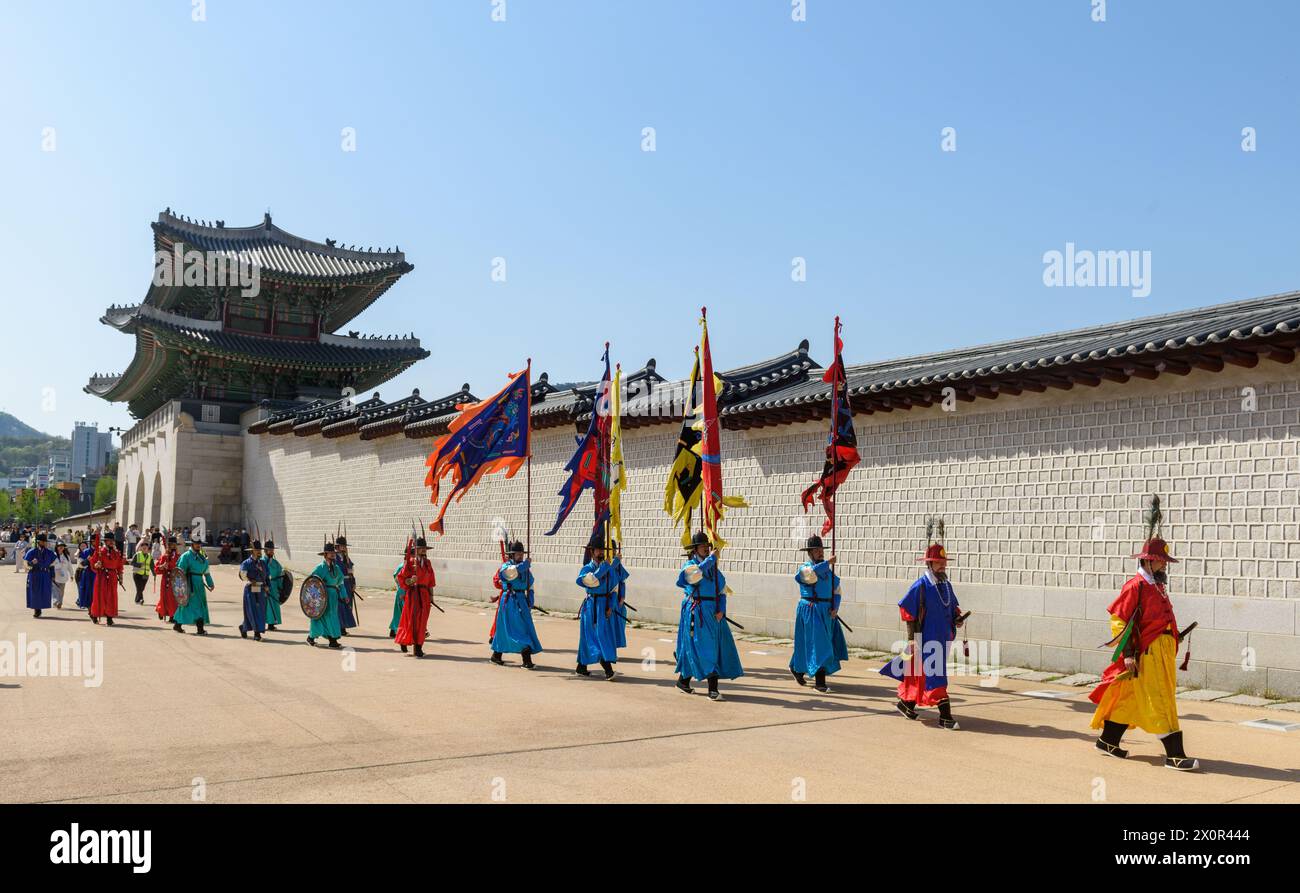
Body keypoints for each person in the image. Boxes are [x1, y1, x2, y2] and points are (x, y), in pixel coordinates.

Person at [1089, 498, 1199, 771]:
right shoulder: (1135, 586)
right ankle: (1174, 755)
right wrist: (1127, 654)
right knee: (1160, 699)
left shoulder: (1157, 585)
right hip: (1144, 653)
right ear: (1149, 562)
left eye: (1165, 562)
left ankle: (1107, 740)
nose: (1165, 566)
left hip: (1160, 650)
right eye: (1161, 562)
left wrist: (1172, 635)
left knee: (1131, 698)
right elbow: (1119, 621)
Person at [879, 523, 965, 729]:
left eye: (944, 562)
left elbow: (953, 608)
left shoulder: (945, 584)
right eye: (938, 562)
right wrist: (912, 639)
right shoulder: (921, 586)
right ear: (929, 564)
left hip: (942, 638)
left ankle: (906, 704)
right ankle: (945, 717)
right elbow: (907, 611)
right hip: (925, 639)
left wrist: (958, 619)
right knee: (935, 677)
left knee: (921, 674)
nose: (942, 566)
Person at [674, 532, 744, 701]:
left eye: (708, 545)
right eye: (703, 546)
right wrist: (711, 560)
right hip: (696, 611)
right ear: (695, 549)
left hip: (713, 613)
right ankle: (712, 689)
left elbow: (722, 591)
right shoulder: (690, 565)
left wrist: (721, 609)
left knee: (715, 647)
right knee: (702, 646)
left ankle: (683, 681)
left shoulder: (713, 569)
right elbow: (694, 576)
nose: (706, 548)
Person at [790, 535, 848, 693]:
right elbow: (811, 575)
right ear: (810, 553)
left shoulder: (829, 573)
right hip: (810, 609)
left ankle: (797, 668)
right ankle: (820, 682)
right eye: (816, 550)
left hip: (826, 611)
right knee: (819, 644)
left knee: (813, 643)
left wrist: (835, 607)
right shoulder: (805, 569)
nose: (820, 552)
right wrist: (828, 563)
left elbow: (837, 591)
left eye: (821, 550)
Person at [574, 535, 626, 680]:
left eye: (602, 550)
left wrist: (611, 606)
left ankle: (581, 666)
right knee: (595, 636)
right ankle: (608, 669)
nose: (601, 552)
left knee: (599, 635)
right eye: (598, 550)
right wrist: (607, 567)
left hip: (604, 605)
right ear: (592, 552)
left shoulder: (607, 568)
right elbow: (591, 581)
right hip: (591, 606)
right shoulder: (587, 568)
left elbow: (614, 588)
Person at [490, 540, 542, 668]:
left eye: (521, 554)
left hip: (521, 600)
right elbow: (509, 574)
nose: (520, 556)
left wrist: (530, 598)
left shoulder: (525, 568)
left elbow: (530, 585)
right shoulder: (506, 566)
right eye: (518, 554)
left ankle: (497, 655)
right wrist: (525, 565)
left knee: (525, 627)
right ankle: (525, 658)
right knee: (514, 628)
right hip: (509, 601)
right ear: (512, 555)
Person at [394, 536, 437, 657]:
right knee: (412, 620)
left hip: (424, 595)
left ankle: (419, 646)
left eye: (424, 548)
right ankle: (407, 642)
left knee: (423, 621)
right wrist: (410, 581)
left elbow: (431, 581)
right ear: (416, 549)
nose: (423, 550)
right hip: (413, 594)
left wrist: (431, 596)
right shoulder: (411, 562)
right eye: (421, 548)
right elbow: (401, 578)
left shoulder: (428, 563)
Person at [174, 535, 215, 635]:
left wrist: (210, 583)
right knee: (188, 605)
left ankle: (177, 625)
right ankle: (199, 629)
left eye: (199, 544)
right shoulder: (186, 556)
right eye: (196, 544)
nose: (198, 546)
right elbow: (179, 572)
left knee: (199, 605)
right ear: (192, 544)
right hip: (188, 584)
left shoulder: (202, 558)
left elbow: (206, 572)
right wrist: (181, 587)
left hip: (199, 585)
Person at [307, 541, 345, 648]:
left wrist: (344, 595)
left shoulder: (336, 568)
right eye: (330, 553)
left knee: (332, 616)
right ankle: (314, 637)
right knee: (321, 617)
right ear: (325, 554)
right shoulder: (320, 567)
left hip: (333, 596)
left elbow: (341, 582)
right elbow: (312, 581)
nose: (333, 555)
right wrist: (316, 596)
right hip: (323, 596)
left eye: (334, 553)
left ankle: (332, 639)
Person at [90, 531, 125, 626]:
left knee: (111, 597)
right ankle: (95, 614)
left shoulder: (117, 553)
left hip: (113, 576)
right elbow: (93, 563)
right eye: (109, 541)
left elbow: (119, 566)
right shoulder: (100, 552)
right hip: (102, 576)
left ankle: (109, 617)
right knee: (100, 596)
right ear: (105, 541)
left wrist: (121, 577)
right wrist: (96, 565)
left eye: (112, 541)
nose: (111, 542)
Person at [237, 540, 268, 641]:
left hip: (261, 589)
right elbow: (242, 575)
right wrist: (250, 580)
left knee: (261, 611)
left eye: (260, 550)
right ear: (252, 551)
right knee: (253, 611)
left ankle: (243, 627)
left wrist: (268, 586)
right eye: (257, 550)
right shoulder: (246, 563)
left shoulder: (263, 563)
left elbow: (267, 576)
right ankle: (257, 634)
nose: (259, 552)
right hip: (251, 589)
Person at [24, 532, 56, 618]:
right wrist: (31, 563)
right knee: (35, 592)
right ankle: (36, 609)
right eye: (43, 541)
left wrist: (53, 575)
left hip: (45, 574)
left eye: (45, 541)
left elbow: (53, 564)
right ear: (38, 542)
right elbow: (26, 564)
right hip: (34, 574)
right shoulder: (32, 551)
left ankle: (40, 607)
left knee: (44, 592)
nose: (45, 543)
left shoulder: (49, 552)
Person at [153, 535, 181, 623]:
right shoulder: (164, 557)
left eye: (174, 545)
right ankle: (164, 612)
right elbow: (156, 569)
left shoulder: (179, 556)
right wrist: (162, 567)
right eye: (171, 544)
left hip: (177, 580)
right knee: (165, 597)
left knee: (175, 598)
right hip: (167, 579)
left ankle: (172, 615)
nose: (173, 546)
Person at [335, 535, 359, 636]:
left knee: (348, 605)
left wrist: (353, 583)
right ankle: (339, 627)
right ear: (337, 547)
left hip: (348, 583)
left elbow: (351, 571)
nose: (344, 548)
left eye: (345, 546)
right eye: (342, 546)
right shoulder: (334, 557)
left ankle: (344, 627)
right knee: (340, 606)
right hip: (340, 584)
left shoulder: (346, 557)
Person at [263, 539, 285, 631]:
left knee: (274, 604)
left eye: (272, 550)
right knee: (264, 605)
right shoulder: (261, 561)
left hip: (274, 586)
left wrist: (281, 587)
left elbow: (280, 575)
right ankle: (261, 624)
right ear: (265, 551)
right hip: (264, 586)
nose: (272, 552)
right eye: (270, 550)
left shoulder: (276, 563)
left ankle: (271, 624)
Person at [76, 535, 97, 610]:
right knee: (88, 591)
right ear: (91, 542)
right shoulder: (86, 551)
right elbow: (81, 564)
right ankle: (89, 607)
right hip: (88, 574)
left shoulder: (101, 551)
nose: (96, 542)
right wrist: (87, 560)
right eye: (94, 541)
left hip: (99, 574)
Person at [51, 541, 74, 609]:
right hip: (55, 576)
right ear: (57, 547)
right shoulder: (53, 555)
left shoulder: (66, 556)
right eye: (59, 546)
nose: (61, 547)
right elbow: (50, 564)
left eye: (62, 546)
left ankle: (60, 602)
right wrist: (56, 566)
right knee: (55, 590)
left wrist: (71, 575)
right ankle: (55, 602)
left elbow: (69, 566)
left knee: (61, 591)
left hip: (63, 577)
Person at [130, 540, 153, 605]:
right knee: (139, 587)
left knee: (142, 588)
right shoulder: (137, 555)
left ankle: (137, 599)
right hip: (137, 573)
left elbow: (152, 565)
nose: (145, 549)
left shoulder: (149, 556)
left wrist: (154, 573)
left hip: (145, 574)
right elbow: (132, 563)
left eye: (146, 548)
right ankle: (141, 599)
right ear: (141, 548)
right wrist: (139, 564)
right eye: (143, 548)